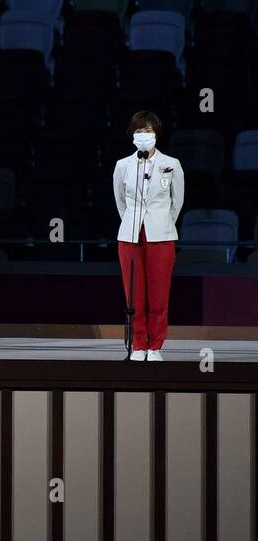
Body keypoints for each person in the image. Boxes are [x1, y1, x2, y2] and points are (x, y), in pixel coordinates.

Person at [113, 110, 184, 362]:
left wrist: (161, 223)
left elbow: (177, 202)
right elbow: (121, 202)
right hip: (130, 235)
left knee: (158, 294)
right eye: (139, 131)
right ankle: (139, 343)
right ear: (132, 135)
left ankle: (155, 345)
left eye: (148, 131)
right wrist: (133, 221)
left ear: (157, 134)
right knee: (134, 294)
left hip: (161, 235)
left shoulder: (171, 164)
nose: (144, 135)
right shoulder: (123, 165)